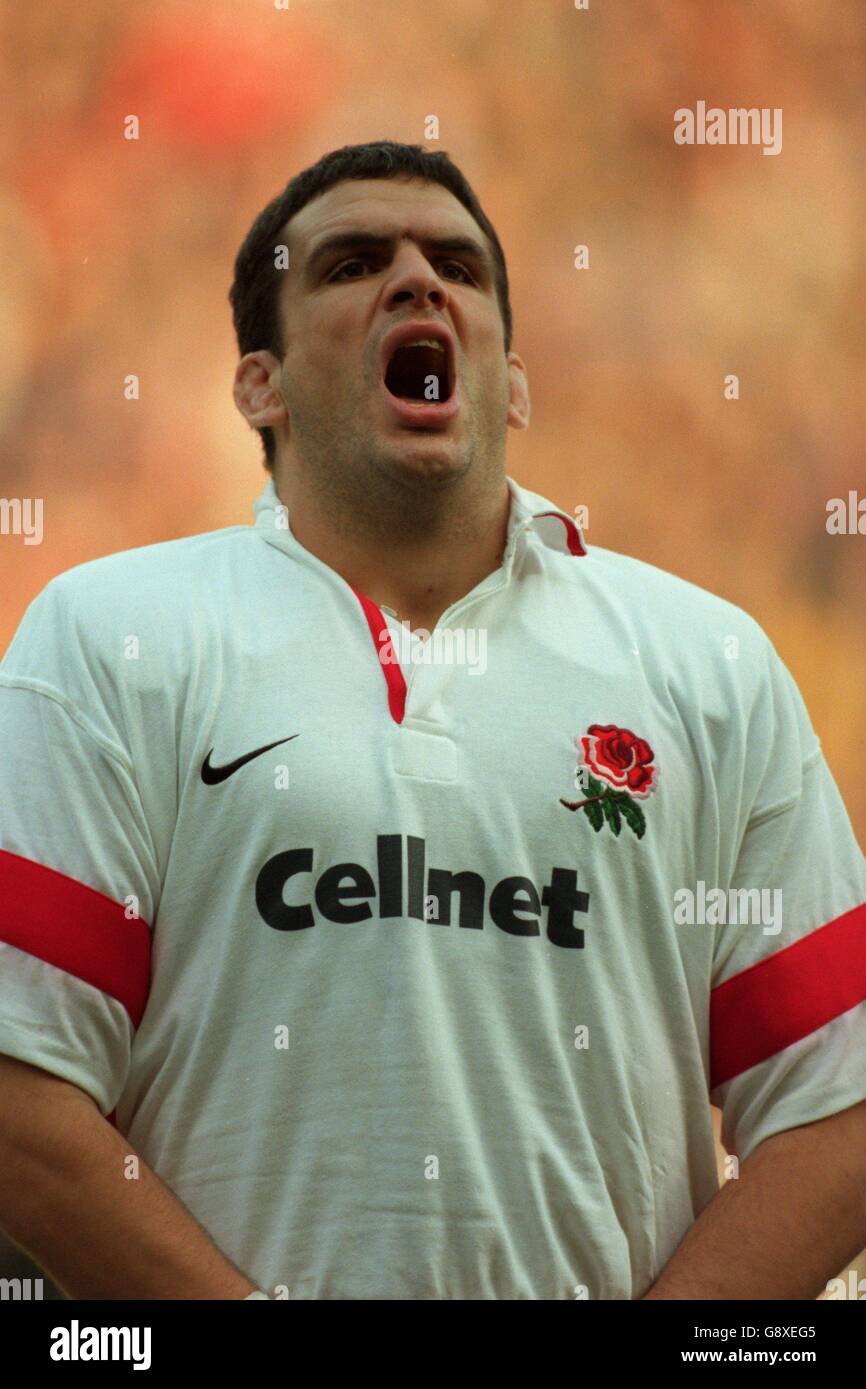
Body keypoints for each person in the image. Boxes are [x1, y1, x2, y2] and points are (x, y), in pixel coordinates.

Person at [1, 139, 865, 1301]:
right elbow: (19, 1082)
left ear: (510, 378)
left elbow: (838, 1106)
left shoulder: (706, 663)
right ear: (259, 383)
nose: (418, 280)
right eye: (354, 262)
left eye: (455, 264)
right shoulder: (110, 636)